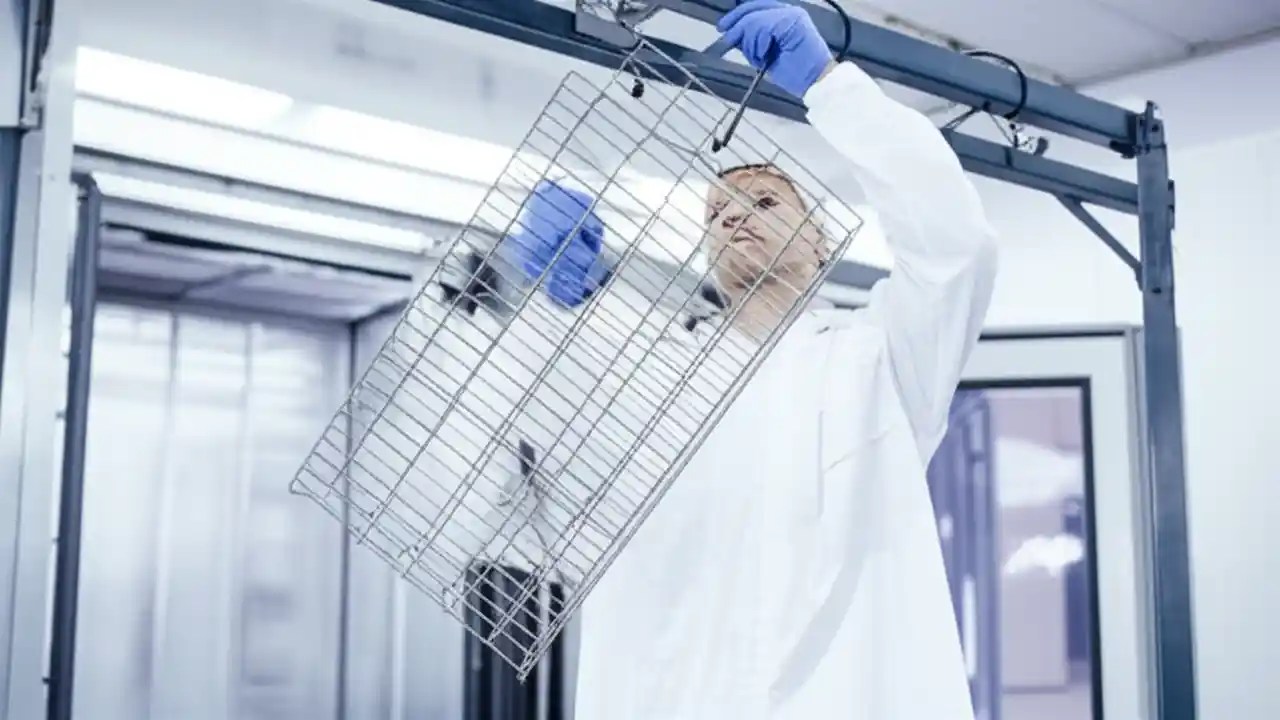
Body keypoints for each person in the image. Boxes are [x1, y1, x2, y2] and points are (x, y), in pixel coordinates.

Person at [474, 2, 996, 716]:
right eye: (715, 214)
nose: (733, 216)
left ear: (821, 242)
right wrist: (555, 292)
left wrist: (829, 87)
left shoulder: (879, 360)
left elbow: (955, 246)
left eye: (763, 200)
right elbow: (541, 417)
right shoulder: (652, 370)